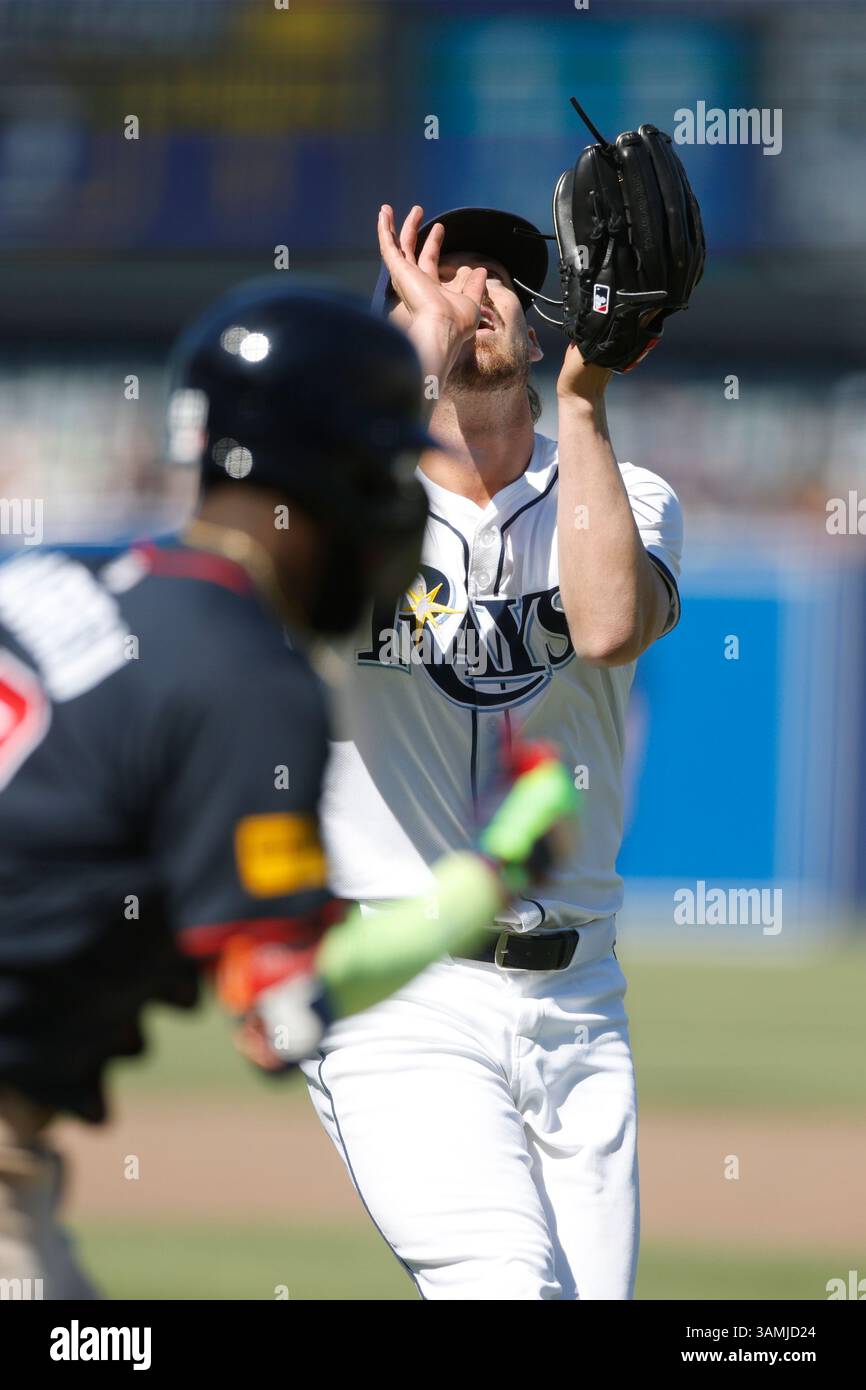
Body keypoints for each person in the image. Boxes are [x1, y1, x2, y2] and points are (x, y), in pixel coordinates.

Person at [0, 281, 576, 1298]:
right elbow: (283, 1014)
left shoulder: (48, 580)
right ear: (337, 479)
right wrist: (487, 877)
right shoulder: (244, 676)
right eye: (391, 470)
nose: (402, 503)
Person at [301, 207, 683, 1300]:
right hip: (399, 984)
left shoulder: (622, 489)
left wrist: (583, 394)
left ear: (541, 319)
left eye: (501, 277)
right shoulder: (353, 513)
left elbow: (607, 624)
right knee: (509, 1284)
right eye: (437, 275)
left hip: (580, 999)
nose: (472, 292)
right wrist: (403, 363)